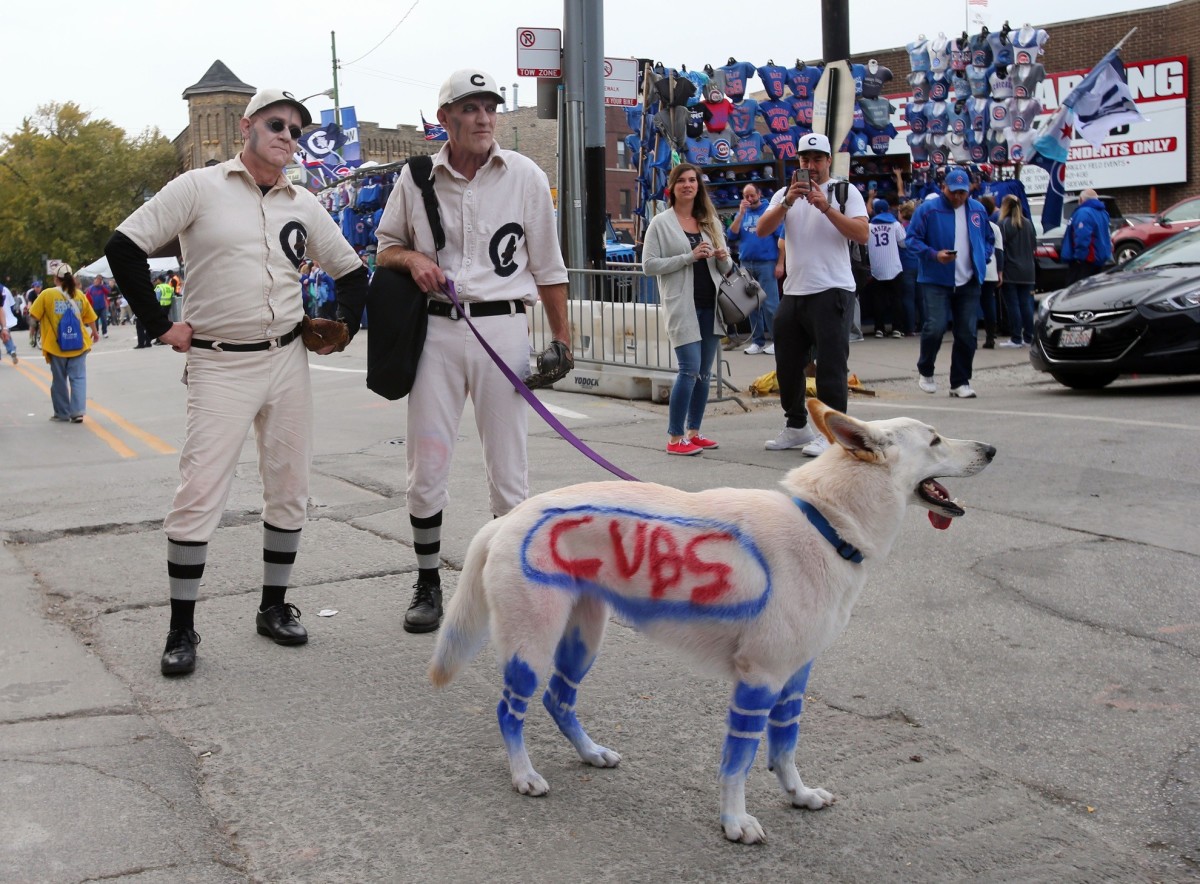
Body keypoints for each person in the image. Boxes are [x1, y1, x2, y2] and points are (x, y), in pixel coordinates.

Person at [104, 87, 369, 677]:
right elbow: (123, 246)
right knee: (200, 491)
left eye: (296, 130)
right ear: (246, 126)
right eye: (276, 124)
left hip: (287, 357)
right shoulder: (199, 187)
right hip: (220, 361)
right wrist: (158, 323)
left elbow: (353, 272)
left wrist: (345, 324)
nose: (287, 136)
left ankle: (273, 606)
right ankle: (181, 628)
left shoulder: (304, 203)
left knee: (290, 485)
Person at [374, 69, 570, 634]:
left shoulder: (525, 175)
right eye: (470, 108)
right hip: (435, 329)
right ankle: (428, 581)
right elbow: (385, 247)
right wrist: (414, 259)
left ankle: (511, 583)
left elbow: (548, 266)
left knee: (509, 469)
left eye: (490, 107)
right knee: (427, 462)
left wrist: (562, 340)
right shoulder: (416, 177)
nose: (484, 118)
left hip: (502, 326)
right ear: (445, 118)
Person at [754, 132, 869, 455]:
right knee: (788, 364)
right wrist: (787, 201)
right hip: (795, 291)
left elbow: (862, 234)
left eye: (817, 159)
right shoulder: (784, 194)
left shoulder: (845, 192)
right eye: (805, 159)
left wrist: (827, 208)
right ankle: (796, 426)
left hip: (833, 288)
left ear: (828, 160)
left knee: (831, 366)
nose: (811, 165)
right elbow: (762, 230)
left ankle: (832, 434)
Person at [642, 163, 733, 456]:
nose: (688, 185)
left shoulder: (709, 221)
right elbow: (649, 265)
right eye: (681, 180)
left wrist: (722, 256)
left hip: (712, 306)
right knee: (689, 369)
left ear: (698, 186)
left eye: (692, 180)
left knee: (704, 373)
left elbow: (727, 267)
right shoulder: (661, 223)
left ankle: (694, 432)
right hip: (682, 306)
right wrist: (688, 257)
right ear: (672, 187)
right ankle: (675, 437)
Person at [907, 166, 995, 399]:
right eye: (953, 191)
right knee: (935, 327)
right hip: (936, 280)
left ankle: (960, 381)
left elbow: (988, 238)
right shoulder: (928, 210)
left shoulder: (977, 210)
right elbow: (912, 239)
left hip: (968, 280)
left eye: (962, 192)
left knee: (967, 333)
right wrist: (934, 254)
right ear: (943, 187)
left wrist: (982, 256)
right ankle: (926, 369)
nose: (957, 197)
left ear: (969, 190)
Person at [29, 264, 99, 422]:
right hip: (78, 343)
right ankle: (78, 412)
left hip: (56, 346)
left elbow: (34, 316)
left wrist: (33, 333)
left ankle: (62, 413)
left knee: (59, 380)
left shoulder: (47, 294)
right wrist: (94, 332)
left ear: (56, 279)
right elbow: (90, 317)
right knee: (78, 378)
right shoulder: (79, 294)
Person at [726, 182, 782, 355]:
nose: (749, 199)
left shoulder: (769, 212)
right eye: (746, 196)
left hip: (766, 263)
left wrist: (780, 263)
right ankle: (757, 342)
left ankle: (778, 341)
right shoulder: (742, 213)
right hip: (746, 264)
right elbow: (731, 235)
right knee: (751, 305)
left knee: (770, 304)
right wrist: (741, 214)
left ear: (759, 194)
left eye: (752, 195)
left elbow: (782, 239)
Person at [998, 194, 1037, 347]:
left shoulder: (1003, 224)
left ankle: (1016, 337)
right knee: (1026, 304)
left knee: (1012, 305)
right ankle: (1029, 336)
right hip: (1029, 270)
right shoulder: (1028, 224)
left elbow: (1000, 249)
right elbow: (1033, 246)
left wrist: (1000, 270)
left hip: (1011, 270)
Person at [865, 197, 905, 338]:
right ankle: (897, 328)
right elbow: (904, 243)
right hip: (894, 267)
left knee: (878, 300)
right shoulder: (895, 224)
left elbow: (864, 245)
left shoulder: (869, 226)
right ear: (888, 209)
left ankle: (879, 329)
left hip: (877, 268)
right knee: (896, 299)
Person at [1060, 189, 1112, 284]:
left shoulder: (1083, 213)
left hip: (1086, 260)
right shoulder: (1103, 213)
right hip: (1099, 257)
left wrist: (1079, 257)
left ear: (1081, 199)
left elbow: (1082, 237)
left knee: (1077, 287)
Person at [977, 195, 1004, 349]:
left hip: (975, 269)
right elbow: (999, 251)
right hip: (991, 269)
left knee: (971, 303)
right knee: (989, 303)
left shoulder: (972, 225)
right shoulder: (995, 227)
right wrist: (1000, 271)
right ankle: (990, 336)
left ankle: (971, 336)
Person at [896, 201, 922, 335]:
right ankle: (923, 326)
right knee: (920, 298)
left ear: (902, 214)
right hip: (918, 265)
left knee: (908, 298)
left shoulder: (901, 229)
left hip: (906, 266)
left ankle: (910, 327)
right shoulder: (917, 228)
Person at [152, 275, 175, 344]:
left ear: (159, 280)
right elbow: (172, 295)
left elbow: (157, 298)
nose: (156, 281)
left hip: (161, 306)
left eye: (157, 279)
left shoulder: (159, 287)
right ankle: (160, 340)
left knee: (159, 323)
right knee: (164, 323)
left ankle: (161, 340)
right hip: (167, 306)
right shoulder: (168, 286)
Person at [1, 282, 20, 364]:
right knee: (6, 336)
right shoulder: (5, 289)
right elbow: (12, 305)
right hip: (5, 317)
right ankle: (12, 350)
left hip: (3, 314)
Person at [26, 279, 42, 349]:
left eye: (39, 287)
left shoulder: (43, 293)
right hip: (33, 311)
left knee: (43, 324)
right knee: (32, 324)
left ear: (41, 287)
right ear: (34, 287)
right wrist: (29, 309)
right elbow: (29, 303)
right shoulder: (31, 294)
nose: (37, 288)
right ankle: (32, 338)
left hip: (41, 311)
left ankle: (41, 337)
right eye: (36, 287)